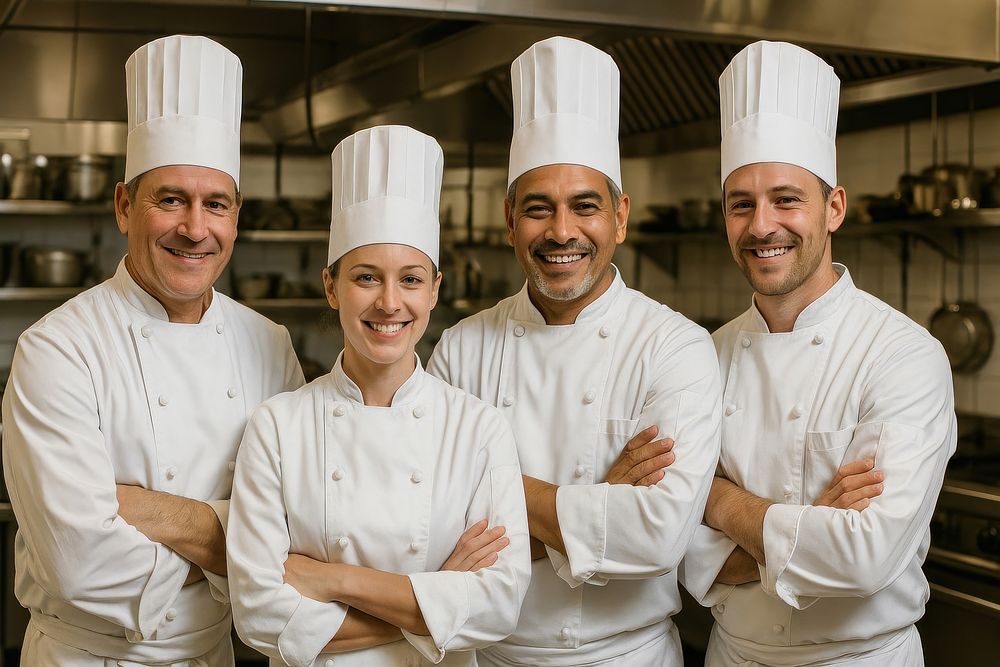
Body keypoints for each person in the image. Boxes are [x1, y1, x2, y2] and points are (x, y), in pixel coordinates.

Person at [0, 35, 304, 666]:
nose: (195, 228)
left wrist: (144, 508)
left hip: (214, 653)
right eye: (170, 199)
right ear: (123, 206)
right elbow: (77, 563)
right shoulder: (58, 349)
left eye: (214, 204)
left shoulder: (269, 345)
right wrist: (241, 541)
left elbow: (304, 528)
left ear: (236, 218)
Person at [427, 36, 722, 666]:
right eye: (538, 209)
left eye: (583, 207)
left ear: (619, 216)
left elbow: (659, 536)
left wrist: (499, 493)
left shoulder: (674, 347)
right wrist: (598, 497)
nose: (561, 232)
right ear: (510, 220)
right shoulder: (460, 350)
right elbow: (429, 530)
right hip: (490, 656)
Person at [678, 40, 957, 666]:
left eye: (787, 199)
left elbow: (864, 558)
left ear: (834, 209)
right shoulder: (699, 357)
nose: (761, 225)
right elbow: (668, 547)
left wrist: (720, 502)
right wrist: (807, 526)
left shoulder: (904, 355)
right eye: (741, 204)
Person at [226, 124, 531, 667]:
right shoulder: (276, 426)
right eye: (366, 277)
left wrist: (331, 579)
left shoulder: (478, 428)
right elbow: (256, 614)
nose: (390, 303)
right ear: (331, 286)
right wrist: (436, 596)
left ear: (435, 290)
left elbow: (499, 607)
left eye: (411, 279)